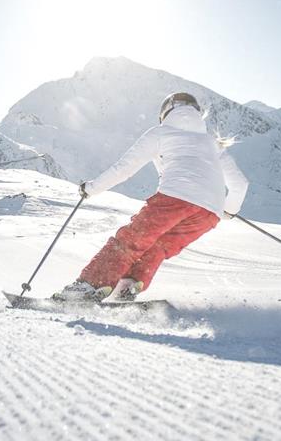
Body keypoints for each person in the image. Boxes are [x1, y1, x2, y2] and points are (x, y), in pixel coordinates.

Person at [54, 92, 249, 302]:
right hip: (209, 213)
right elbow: (240, 183)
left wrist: (91, 188)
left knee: (129, 242)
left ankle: (89, 286)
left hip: (174, 199)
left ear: (165, 113)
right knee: (160, 246)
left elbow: (124, 168)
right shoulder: (212, 143)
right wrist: (229, 210)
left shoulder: (161, 133)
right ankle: (128, 286)